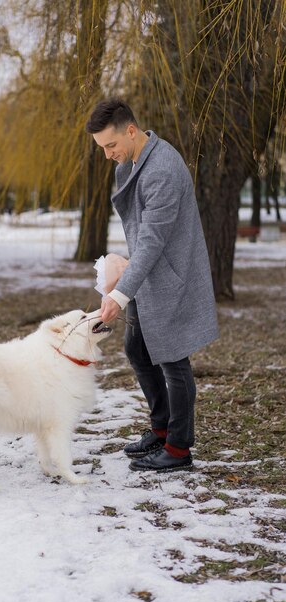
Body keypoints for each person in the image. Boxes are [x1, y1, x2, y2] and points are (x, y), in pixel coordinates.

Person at [86, 98, 219, 472]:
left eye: (110, 145)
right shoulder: (129, 164)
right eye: (102, 149)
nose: (108, 154)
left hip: (171, 276)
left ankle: (178, 449)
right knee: (138, 350)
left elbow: (152, 241)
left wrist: (119, 292)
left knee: (173, 359)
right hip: (147, 274)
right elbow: (140, 236)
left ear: (131, 131)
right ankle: (161, 429)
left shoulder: (162, 169)